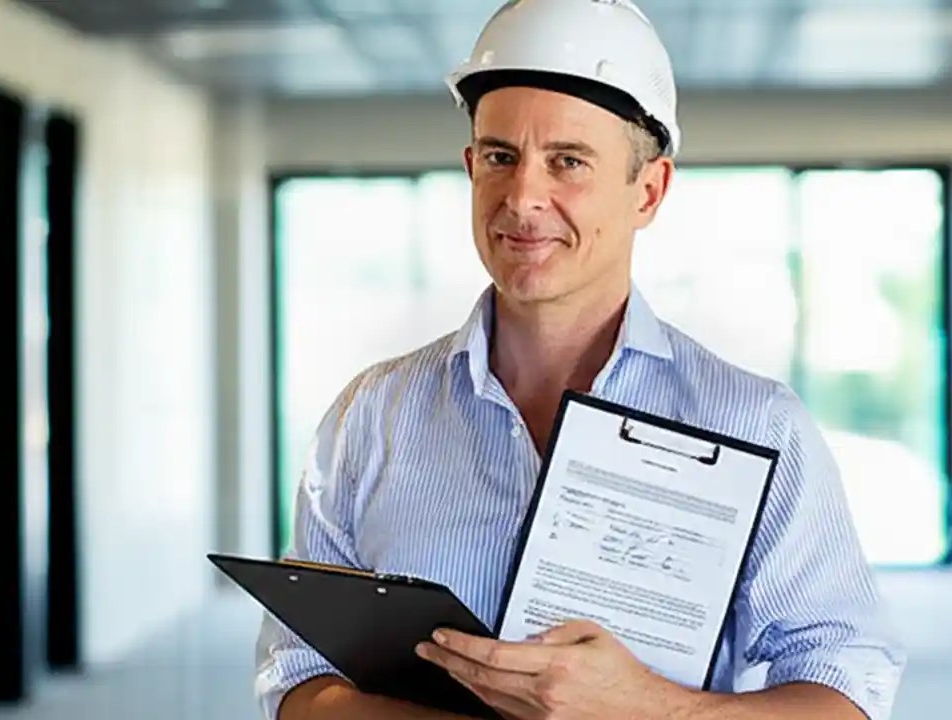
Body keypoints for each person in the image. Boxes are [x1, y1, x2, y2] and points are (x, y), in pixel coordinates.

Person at [254, 0, 906, 718]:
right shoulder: (369, 416)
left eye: (568, 161)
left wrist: (651, 706)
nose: (523, 197)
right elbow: (296, 675)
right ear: (471, 168)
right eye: (501, 157)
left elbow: (848, 690)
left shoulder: (757, 424)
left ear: (649, 191)